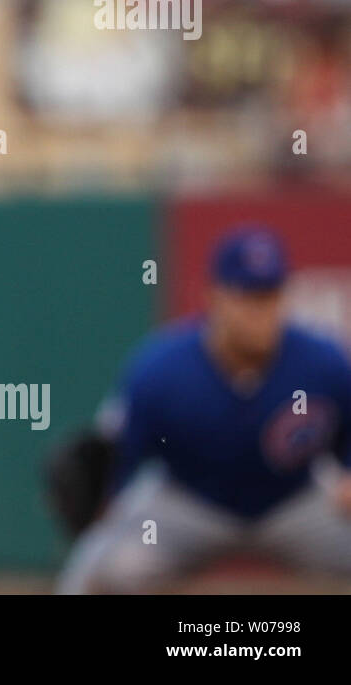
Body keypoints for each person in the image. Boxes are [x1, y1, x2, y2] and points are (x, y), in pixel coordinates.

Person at [57, 226, 351, 593]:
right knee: (106, 568)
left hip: (295, 504)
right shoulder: (161, 368)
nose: (261, 311)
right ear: (214, 296)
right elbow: (117, 455)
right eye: (247, 296)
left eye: (270, 295)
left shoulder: (323, 361)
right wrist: (105, 506)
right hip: (188, 506)